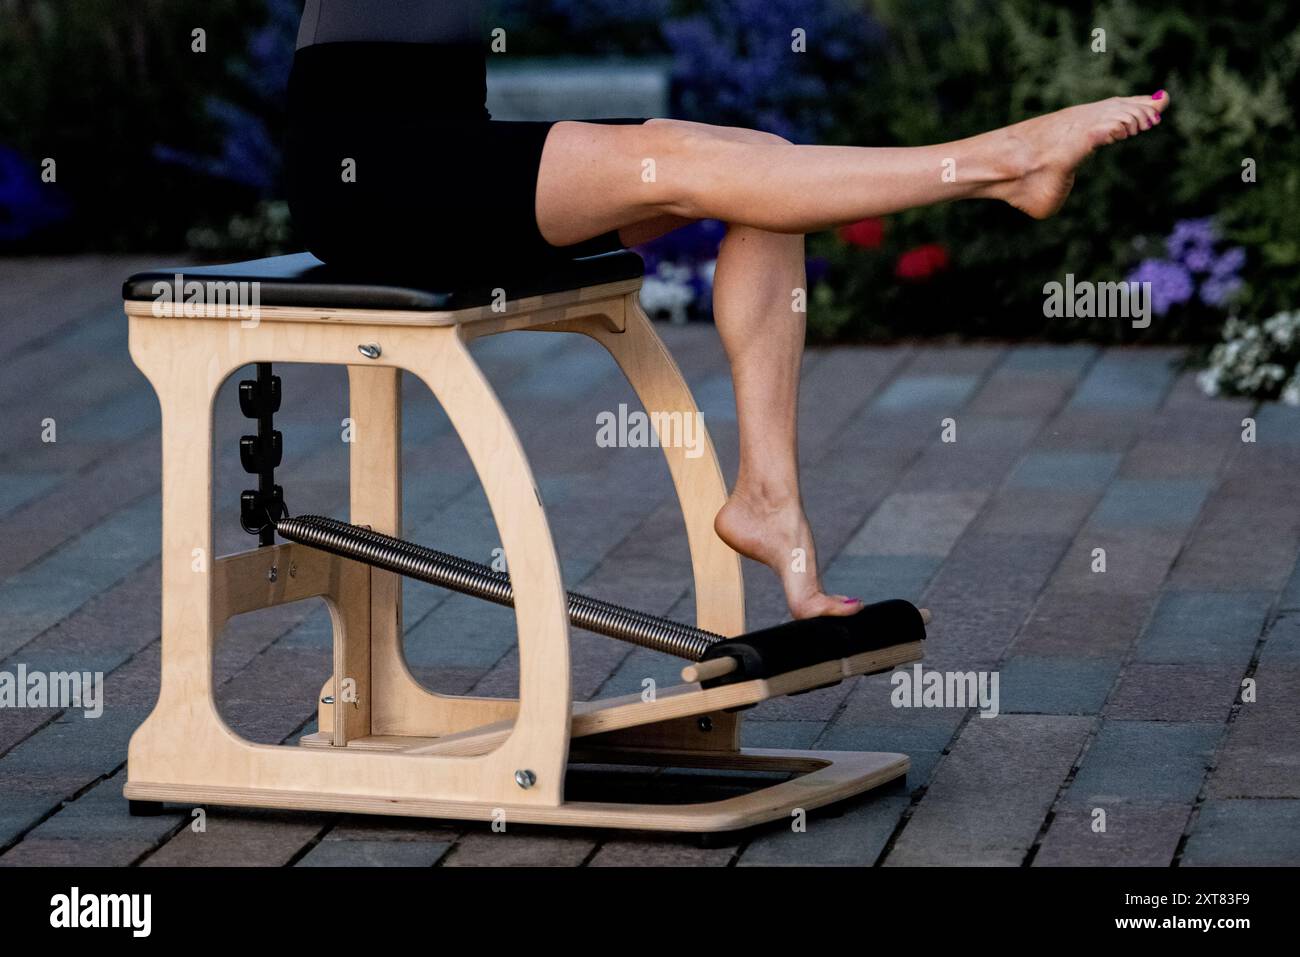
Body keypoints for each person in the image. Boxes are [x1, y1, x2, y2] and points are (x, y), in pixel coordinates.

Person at [286, 1, 1170, 619]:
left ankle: (766, 498)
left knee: (753, 163)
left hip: (452, 152)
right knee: (688, 160)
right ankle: (1000, 162)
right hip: (366, 177)